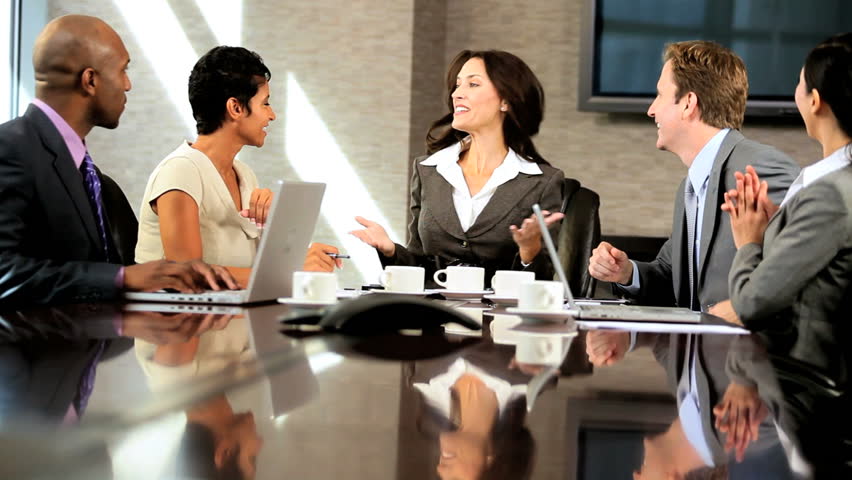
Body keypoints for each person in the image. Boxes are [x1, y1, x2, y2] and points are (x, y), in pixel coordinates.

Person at [584, 40, 798, 363]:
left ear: (688, 104)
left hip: (750, 380)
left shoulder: (760, 169)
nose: (651, 109)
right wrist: (627, 272)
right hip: (697, 373)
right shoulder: (690, 186)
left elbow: (802, 268)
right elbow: (672, 275)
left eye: (659, 95)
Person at [0, 15, 237, 306]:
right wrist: (121, 278)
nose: (128, 85)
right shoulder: (9, 148)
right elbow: (4, 273)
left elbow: (126, 271)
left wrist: (182, 275)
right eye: (123, 70)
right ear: (90, 80)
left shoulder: (96, 181)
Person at [722, 33, 852, 477]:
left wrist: (750, 240)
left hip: (817, 409)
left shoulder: (833, 194)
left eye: (799, 82)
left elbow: (752, 303)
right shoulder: (828, 188)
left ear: (814, 100)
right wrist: (780, 224)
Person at [351, 50, 565, 288]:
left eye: (473, 84)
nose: (457, 94)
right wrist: (390, 250)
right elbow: (420, 266)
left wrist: (529, 251)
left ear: (506, 101)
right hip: (434, 315)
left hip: (502, 320)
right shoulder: (429, 170)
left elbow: (543, 282)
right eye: (457, 85)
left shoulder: (542, 181)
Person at [135, 46, 340, 287]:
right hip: (181, 322)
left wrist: (291, 248)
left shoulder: (245, 176)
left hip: (232, 318)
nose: (272, 115)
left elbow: (259, 273)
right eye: (265, 103)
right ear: (236, 108)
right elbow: (187, 276)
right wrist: (291, 271)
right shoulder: (180, 171)